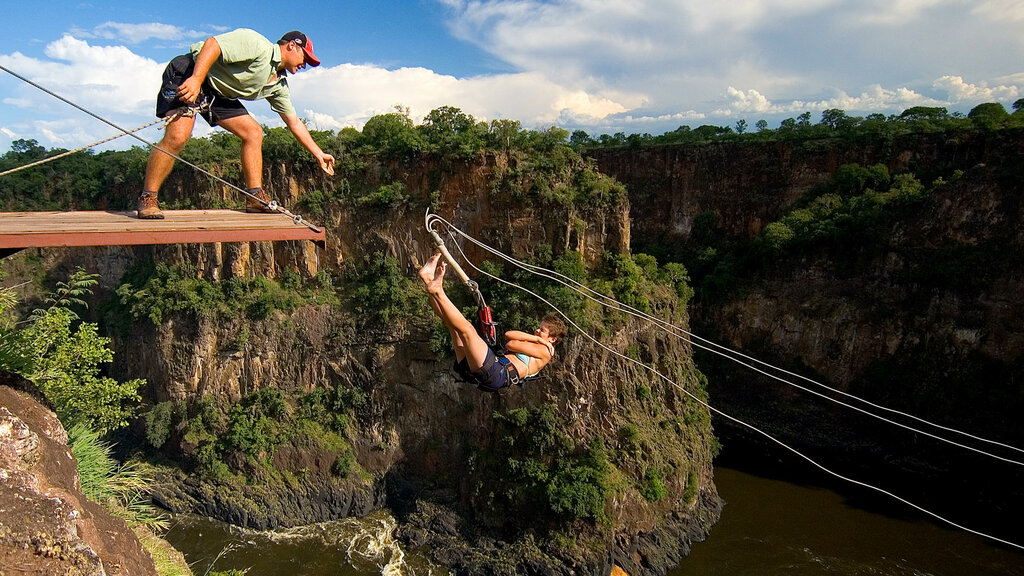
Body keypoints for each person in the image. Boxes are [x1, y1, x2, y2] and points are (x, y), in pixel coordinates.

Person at [137, 29, 336, 219]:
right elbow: (212, 44)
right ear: (292, 46)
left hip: (218, 92)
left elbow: (293, 122)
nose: (305, 65)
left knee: (254, 133)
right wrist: (196, 80)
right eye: (305, 57)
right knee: (178, 136)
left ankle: (254, 197)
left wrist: (319, 154)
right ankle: (148, 197)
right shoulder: (258, 45)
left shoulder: (279, 85)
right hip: (190, 72)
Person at [418, 252, 566, 391]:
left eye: (542, 331)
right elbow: (509, 334)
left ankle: (438, 291)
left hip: (496, 372)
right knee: (453, 326)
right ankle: (428, 279)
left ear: (552, 339)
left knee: (468, 330)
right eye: (539, 328)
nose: (537, 331)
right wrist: (536, 338)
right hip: (483, 368)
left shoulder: (545, 351)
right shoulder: (537, 342)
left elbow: (511, 344)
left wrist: (540, 342)